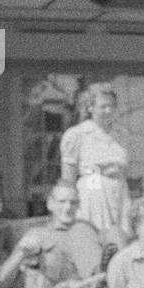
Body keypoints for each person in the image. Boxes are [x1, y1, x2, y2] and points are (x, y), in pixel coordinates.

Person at [0, 181, 106, 288]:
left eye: (73, 203)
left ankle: (103, 280)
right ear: (50, 204)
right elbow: (1, 279)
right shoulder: (38, 234)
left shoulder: (87, 228)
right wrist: (21, 252)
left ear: (79, 205)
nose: (68, 208)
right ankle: (100, 281)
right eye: (62, 202)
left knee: (91, 232)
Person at [60, 82, 130, 248]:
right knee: (96, 240)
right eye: (103, 106)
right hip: (93, 190)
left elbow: (124, 171)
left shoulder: (121, 134)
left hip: (118, 190)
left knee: (120, 241)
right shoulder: (77, 134)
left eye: (112, 106)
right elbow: (68, 180)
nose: (109, 111)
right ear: (90, 107)